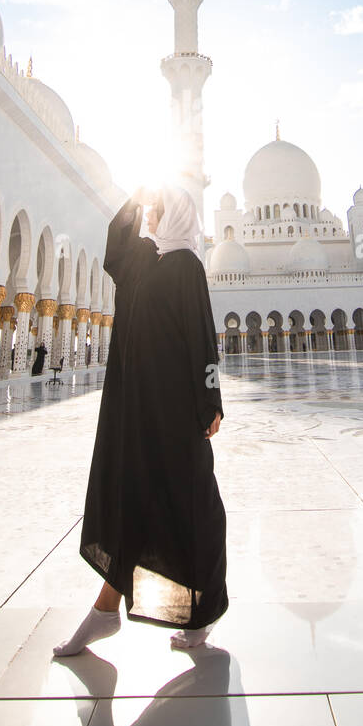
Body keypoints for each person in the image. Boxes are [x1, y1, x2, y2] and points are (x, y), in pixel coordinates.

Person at [54, 182, 227, 657]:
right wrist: (138, 194)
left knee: (194, 507)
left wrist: (210, 399)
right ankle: (106, 609)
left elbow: (201, 336)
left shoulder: (186, 266)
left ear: (177, 215)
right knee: (129, 498)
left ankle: (198, 611)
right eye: (149, 211)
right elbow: (114, 245)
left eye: (157, 211)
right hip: (132, 404)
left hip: (171, 411)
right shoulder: (141, 262)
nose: (150, 217)